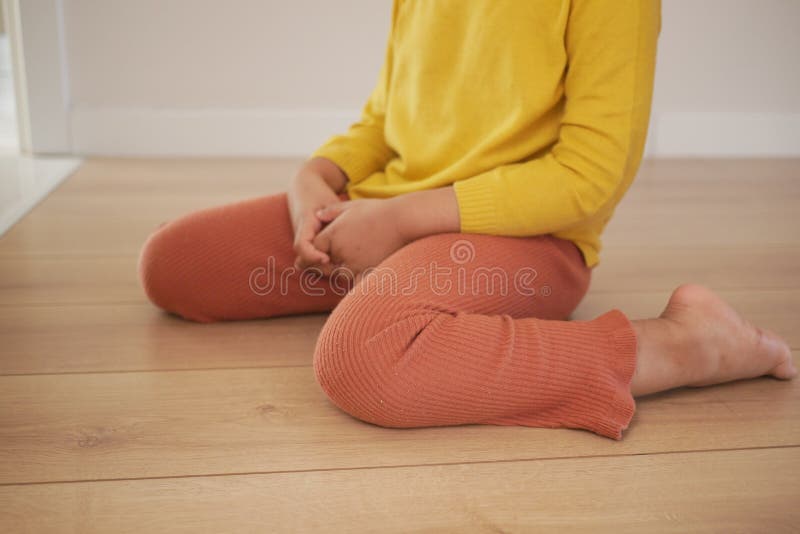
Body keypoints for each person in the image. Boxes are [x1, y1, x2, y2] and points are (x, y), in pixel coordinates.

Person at [138, 0, 795, 439]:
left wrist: (403, 220)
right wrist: (316, 177)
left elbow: (590, 175)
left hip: (529, 239)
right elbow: (386, 119)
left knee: (360, 360)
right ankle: (390, 288)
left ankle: (683, 344)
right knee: (174, 263)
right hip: (392, 208)